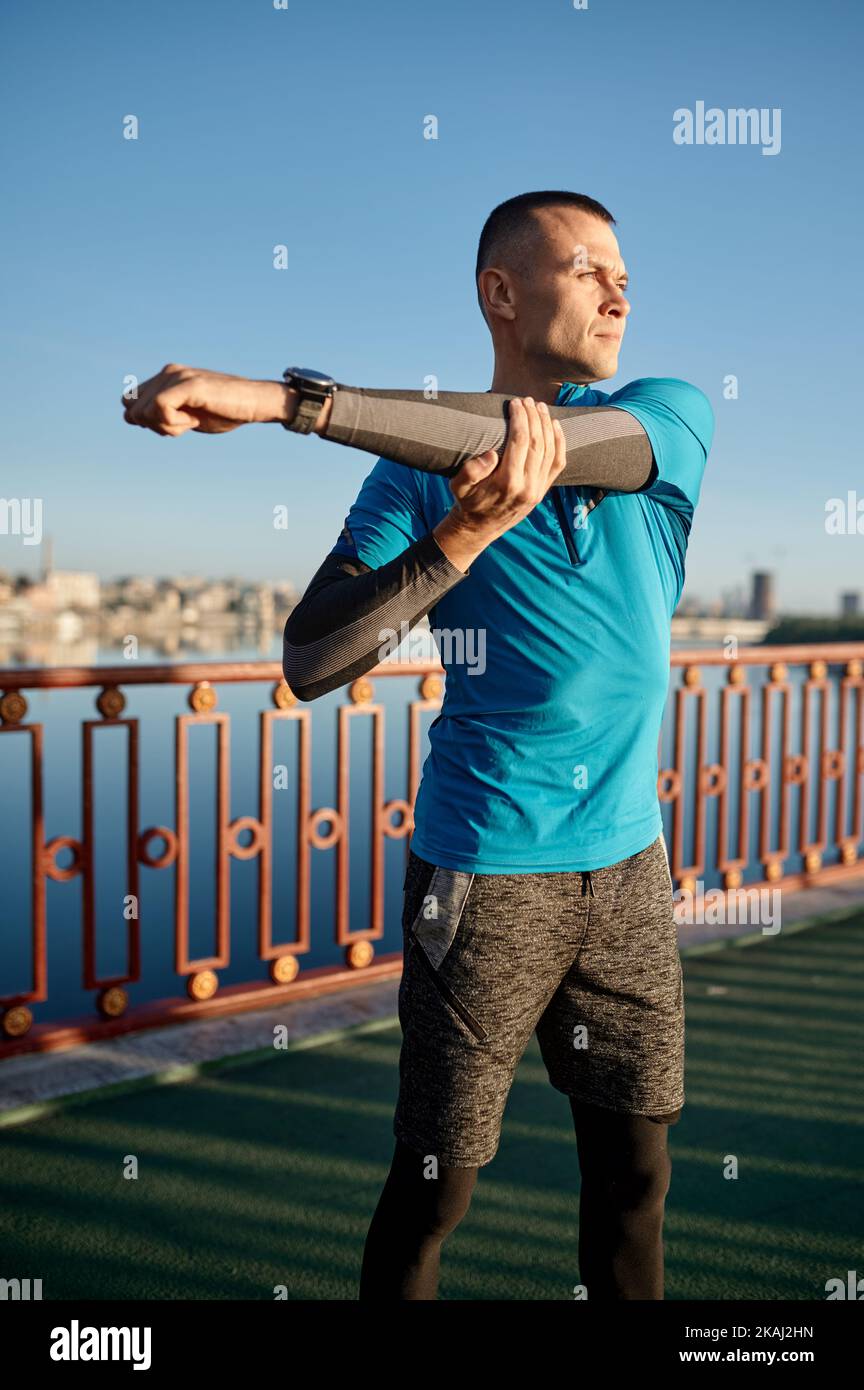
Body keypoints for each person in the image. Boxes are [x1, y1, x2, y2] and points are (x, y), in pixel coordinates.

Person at [121, 189, 714, 1301]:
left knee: (636, 1176)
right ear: (501, 292)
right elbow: (311, 661)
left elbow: (545, 442)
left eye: (623, 270)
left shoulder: (668, 417)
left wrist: (273, 402)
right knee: (434, 1186)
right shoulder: (409, 474)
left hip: (630, 867)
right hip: (482, 871)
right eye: (586, 267)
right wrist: (465, 530)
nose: (618, 288)